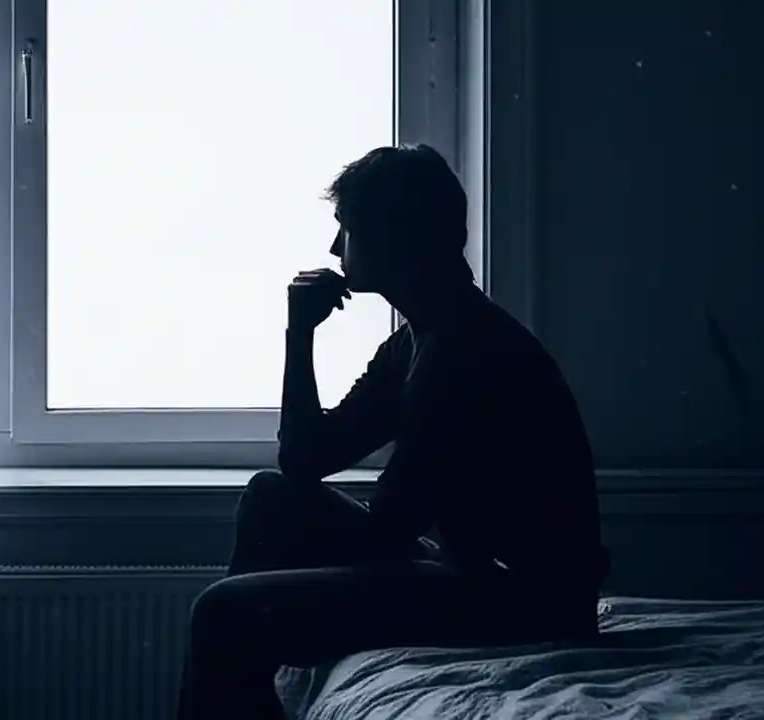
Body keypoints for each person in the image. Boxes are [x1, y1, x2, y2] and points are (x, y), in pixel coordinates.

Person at [176, 144, 608, 720]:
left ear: (394, 238)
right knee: (270, 497)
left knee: (224, 612)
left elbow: (387, 533)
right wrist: (299, 333)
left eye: (346, 229)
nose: (334, 249)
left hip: (524, 603)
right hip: (472, 571)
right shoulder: (417, 339)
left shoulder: (462, 352)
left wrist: (283, 601)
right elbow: (304, 459)